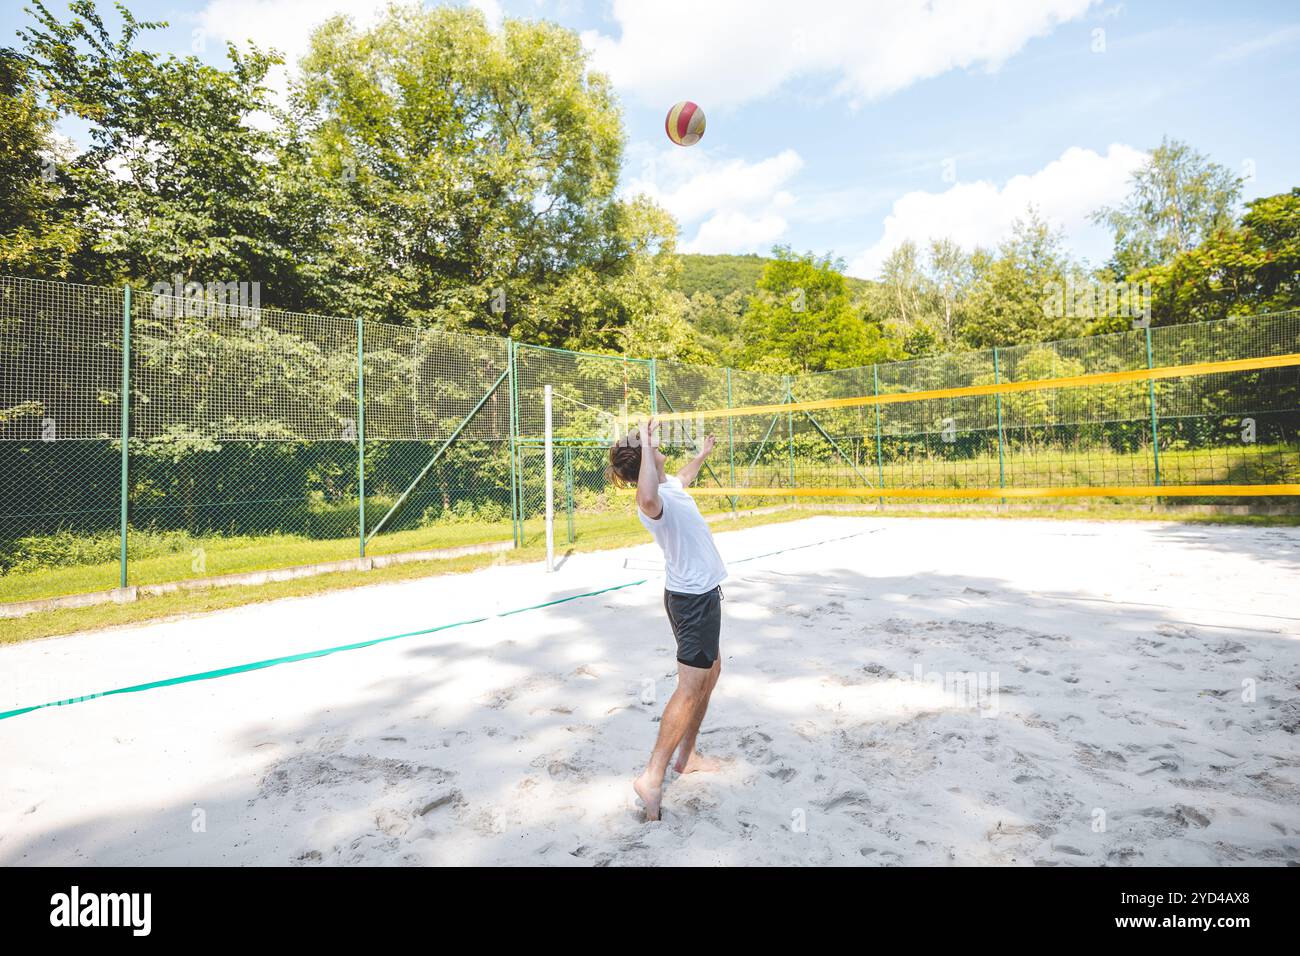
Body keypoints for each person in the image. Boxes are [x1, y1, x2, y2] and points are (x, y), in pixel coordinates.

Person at [607, 416, 728, 821]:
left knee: (710, 671)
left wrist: (702, 455)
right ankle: (652, 776)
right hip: (691, 600)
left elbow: (682, 477)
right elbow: (644, 498)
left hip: (702, 596)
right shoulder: (651, 501)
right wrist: (642, 440)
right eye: (653, 448)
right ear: (644, 460)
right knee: (691, 687)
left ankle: (687, 755)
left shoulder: (669, 487)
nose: (660, 449)